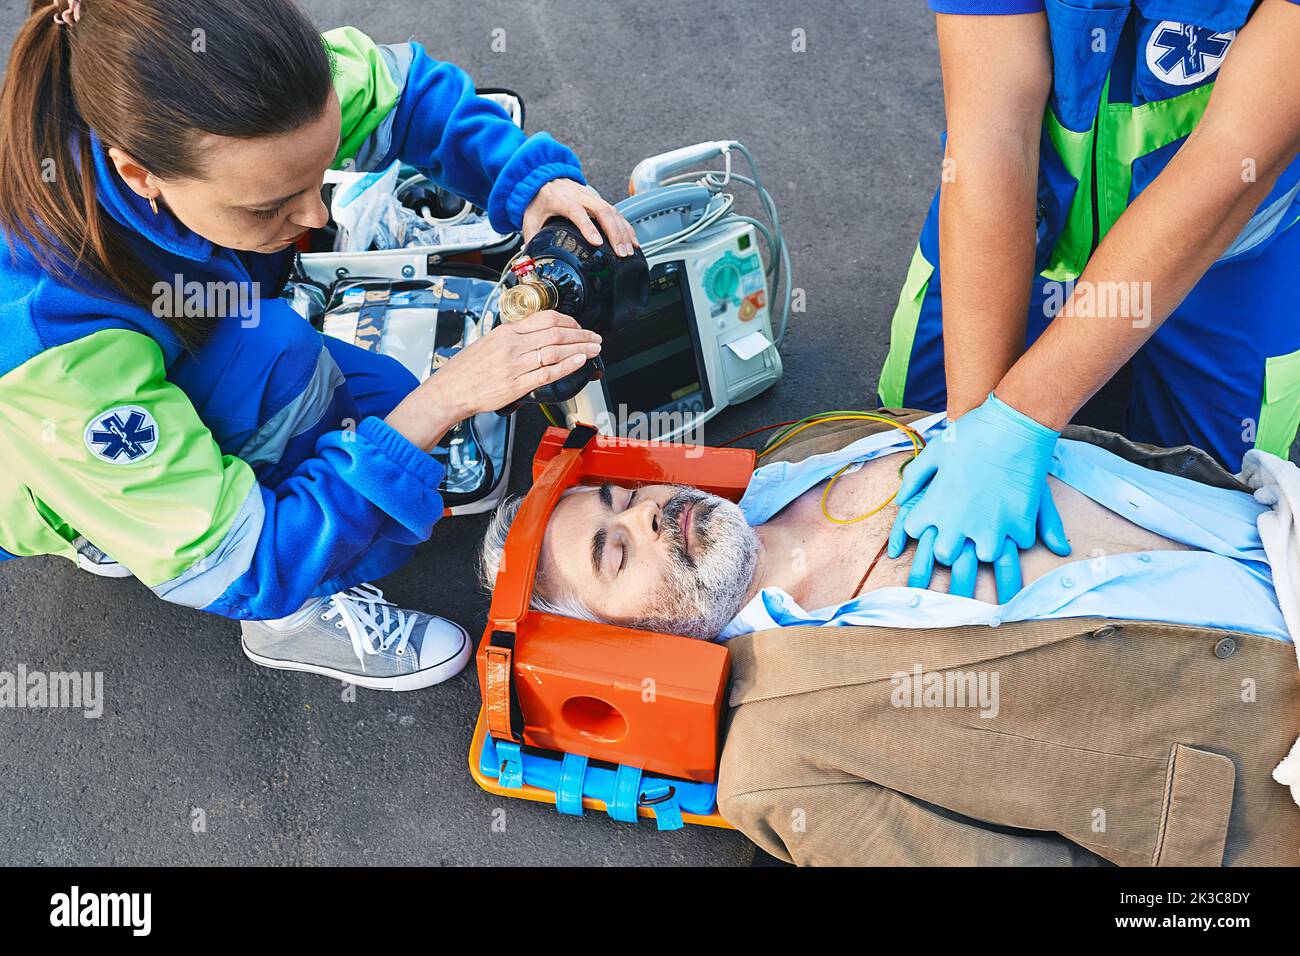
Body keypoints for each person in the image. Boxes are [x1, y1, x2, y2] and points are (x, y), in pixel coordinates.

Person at [0, 0, 638, 691]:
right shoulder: (55, 341)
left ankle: (141, 504)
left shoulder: (238, 88)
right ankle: (272, 615)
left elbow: (406, 92)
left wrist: (530, 180)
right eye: (270, 205)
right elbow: (249, 563)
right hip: (42, 454)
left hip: (151, 343)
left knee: (378, 405)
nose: (317, 217)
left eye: (322, 171)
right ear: (138, 176)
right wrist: (450, 395)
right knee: (300, 375)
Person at [877, 1, 1300, 603]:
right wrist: (974, 427)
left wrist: (1019, 420)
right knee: (905, 441)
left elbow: (1237, 153)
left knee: (1221, 517)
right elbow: (991, 128)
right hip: (1041, 217)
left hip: (1225, 250)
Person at [479, 412, 1295, 642]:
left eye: (625, 496)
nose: (649, 514)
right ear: (618, 642)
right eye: (615, 551)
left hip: (1262, 512)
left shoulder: (807, 453)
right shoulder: (800, 721)